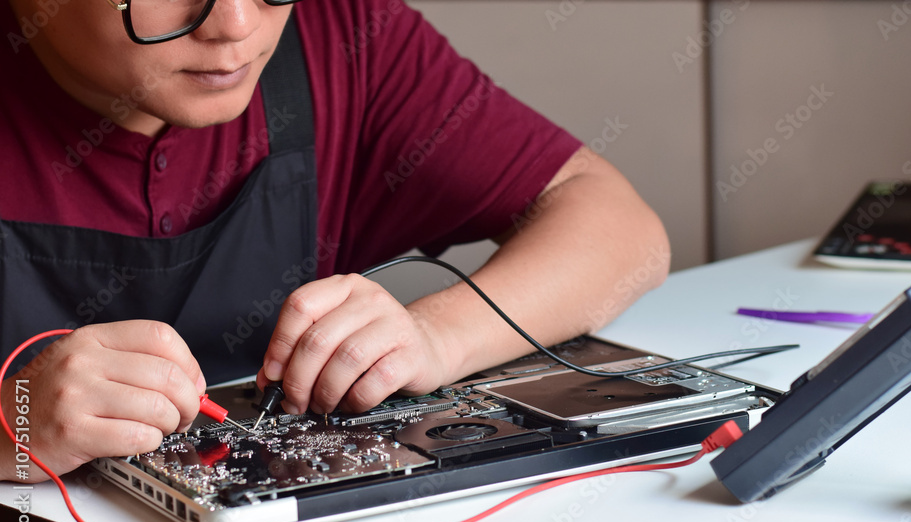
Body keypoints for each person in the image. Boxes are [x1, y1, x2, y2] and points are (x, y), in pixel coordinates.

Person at [0, 0, 669, 484]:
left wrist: (437, 336)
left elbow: (622, 231)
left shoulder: (344, 37)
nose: (235, 25)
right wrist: (11, 426)